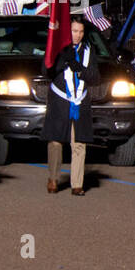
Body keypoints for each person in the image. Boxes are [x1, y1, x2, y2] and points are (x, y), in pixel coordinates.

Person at [43, 14, 100, 196]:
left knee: (79, 143)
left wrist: (79, 68)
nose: (78, 35)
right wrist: (62, 59)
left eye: (81, 32)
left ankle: (77, 183)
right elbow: (46, 70)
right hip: (60, 100)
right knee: (56, 143)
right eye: (74, 31)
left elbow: (96, 77)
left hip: (79, 100)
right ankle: (53, 178)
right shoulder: (57, 47)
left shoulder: (88, 51)